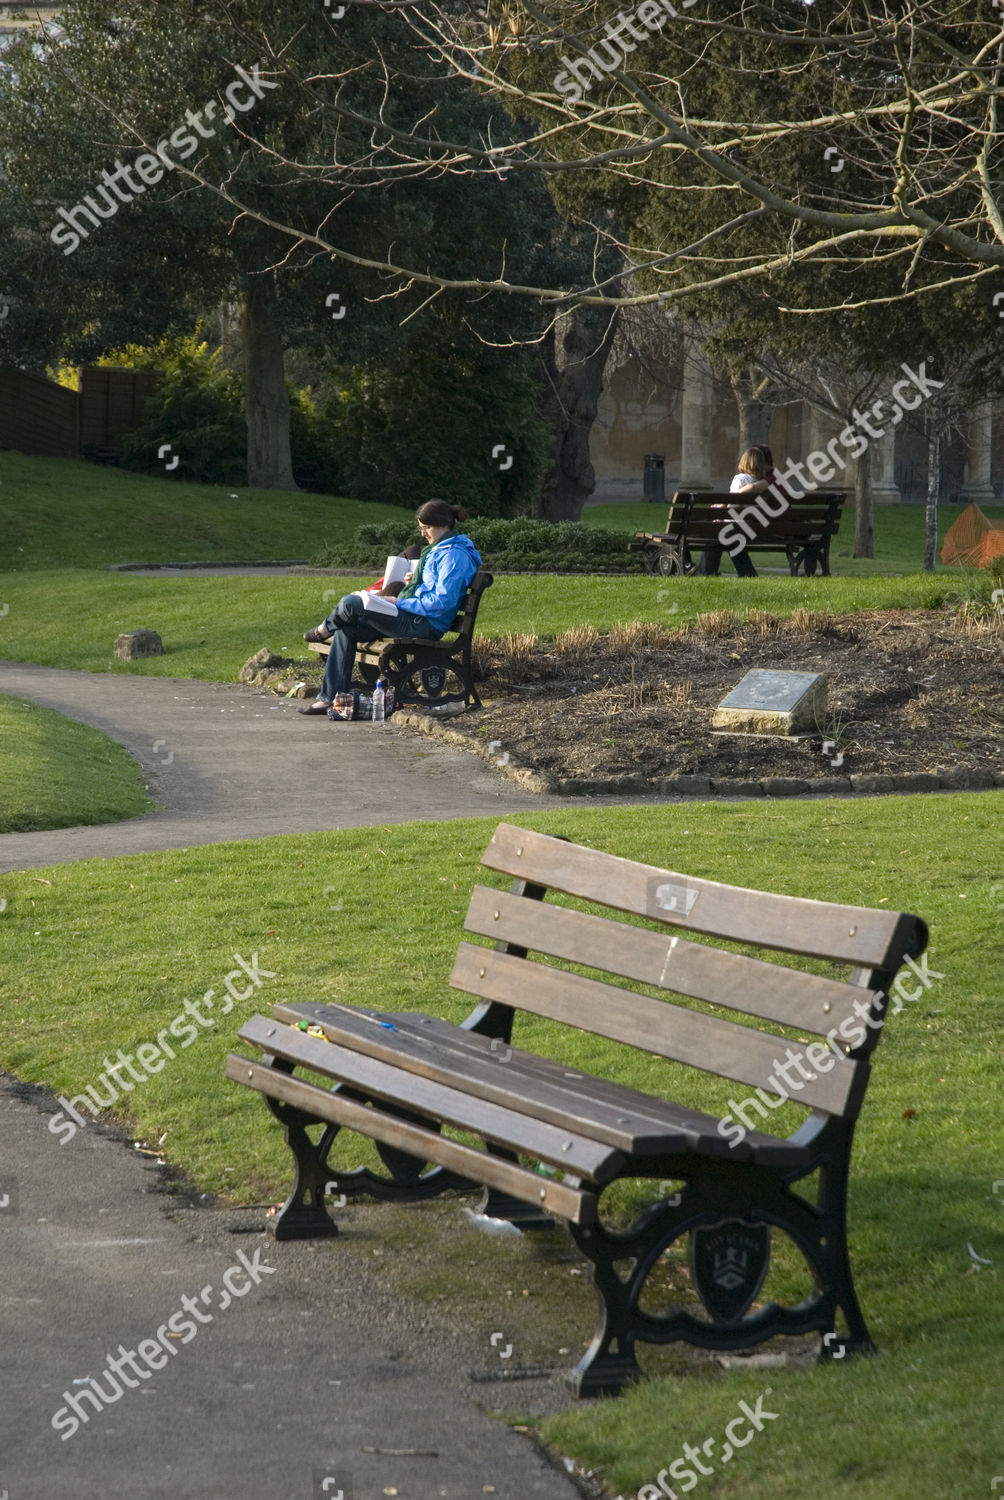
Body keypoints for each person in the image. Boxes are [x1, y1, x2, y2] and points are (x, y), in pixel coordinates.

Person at [297, 500, 481, 715]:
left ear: (443, 524)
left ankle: (323, 629)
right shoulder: (441, 549)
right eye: (420, 528)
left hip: (424, 624)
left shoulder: (453, 555)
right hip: (413, 616)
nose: (423, 534)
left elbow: (441, 603)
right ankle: (330, 698)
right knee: (347, 629)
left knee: (351, 603)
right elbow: (435, 588)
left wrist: (398, 602)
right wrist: (416, 582)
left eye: (426, 528)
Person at [696, 446, 775, 577]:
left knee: (715, 533)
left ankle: (706, 572)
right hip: (751, 528)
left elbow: (731, 503)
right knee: (726, 537)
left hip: (735, 526)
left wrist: (719, 507)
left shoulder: (740, 479)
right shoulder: (763, 484)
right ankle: (746, 573)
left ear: (744, 462)